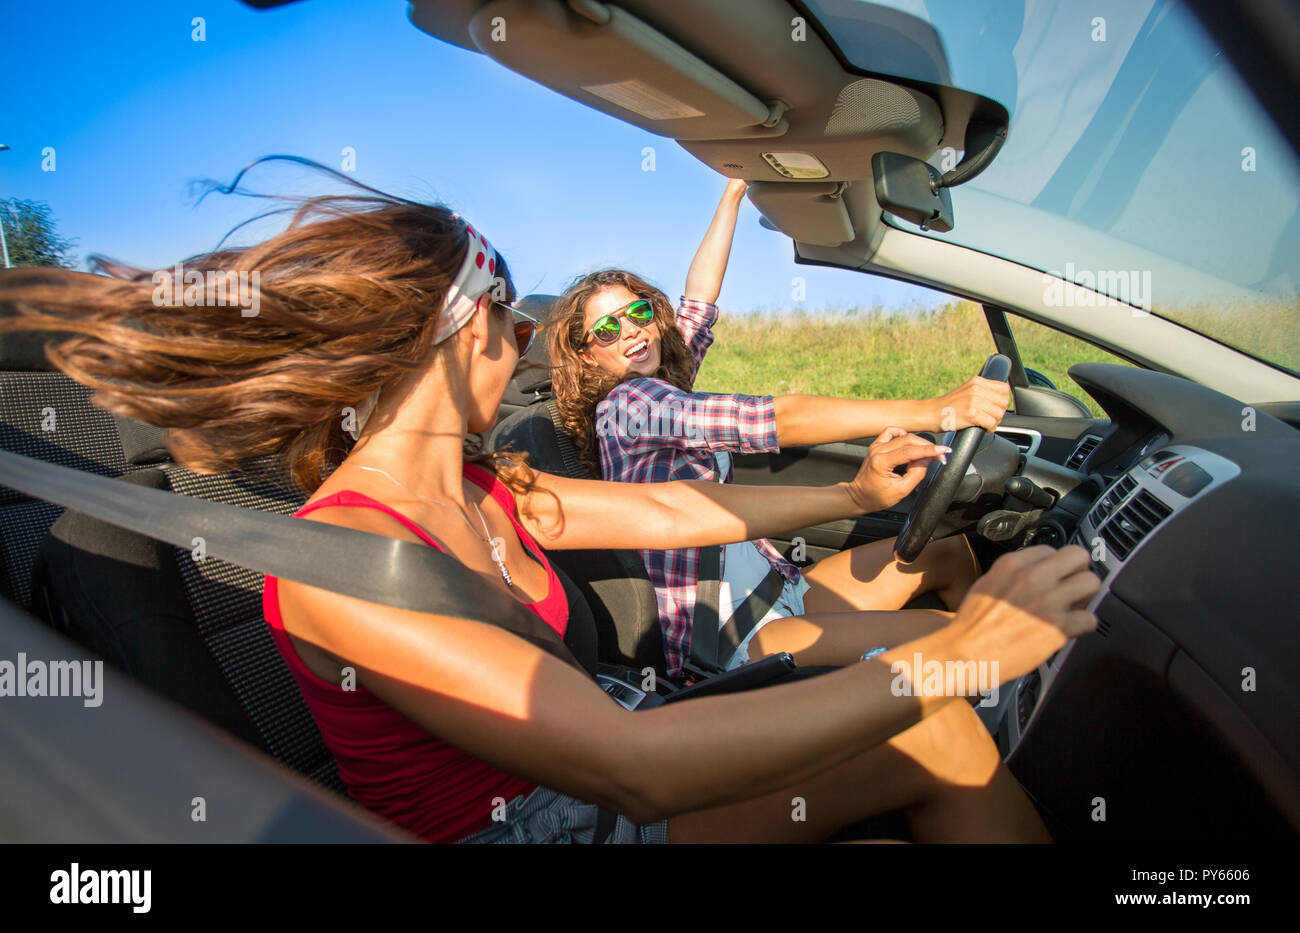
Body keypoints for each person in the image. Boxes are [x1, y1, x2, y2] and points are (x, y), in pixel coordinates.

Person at [0, 159, 1099, 844]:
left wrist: (854, 492)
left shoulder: (483, 487)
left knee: (928, 739)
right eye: (514, 330)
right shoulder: (340, 561)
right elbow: (629, 771)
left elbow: (670, 518)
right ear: (459, 334)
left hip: (609, 747)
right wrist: (963, 653)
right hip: (530, 826)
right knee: (944, 730)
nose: (523, 350)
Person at [548, 179, 1013, 678]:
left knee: (948, 555)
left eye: (637, 312)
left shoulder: (660, 379)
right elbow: (770, 420)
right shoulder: (627, 404)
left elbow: (699, 305)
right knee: (956, 638)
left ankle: (983, 691)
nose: (632, 330)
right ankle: (989, 705)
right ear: (585, 353)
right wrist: (937, 410)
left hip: (778, 588)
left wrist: (732, 192)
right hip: (730, 637)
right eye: (608, 329)